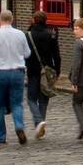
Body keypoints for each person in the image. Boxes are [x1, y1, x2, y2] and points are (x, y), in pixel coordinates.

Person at [0, 9, 31, 145]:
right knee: (17, 103)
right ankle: (19, 125)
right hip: (17, 71)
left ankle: (1, 136)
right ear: (12, 19)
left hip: (0, 72)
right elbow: (27, 53)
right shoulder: (20, 34)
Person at [24, 11, 61, 139]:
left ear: (34, 20)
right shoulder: (50, 34)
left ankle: (38, 121)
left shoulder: (28, 34)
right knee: (44, 99)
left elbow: (24, 54)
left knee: (31, 98)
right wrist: (57, 71)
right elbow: (56, 55)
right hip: (48, 70)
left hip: (33, 70)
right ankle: (41, 125)